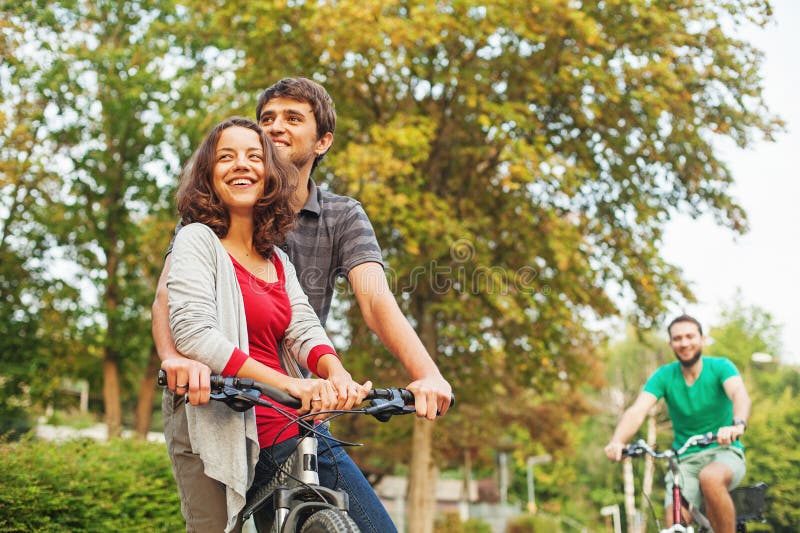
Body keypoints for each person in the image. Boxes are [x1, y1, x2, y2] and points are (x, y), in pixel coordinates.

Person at [155, 77, 451, 417]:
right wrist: (173, 358)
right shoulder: (212, 215)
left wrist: (427, 374)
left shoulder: (340, 216)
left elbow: (373, 298)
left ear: (323, 142)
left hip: (301, 403)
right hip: (222, 398)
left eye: (293, 118)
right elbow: (168, 296)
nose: (275, 127)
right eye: (267, 119)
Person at [164, 116, 382, 532]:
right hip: (224, 420)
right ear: (208, 175)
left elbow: (304, 329)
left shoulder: (277, 259)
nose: (241, 164)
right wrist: (291, 385)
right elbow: (193, 332)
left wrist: (337, 374)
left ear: (270, 176)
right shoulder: (197, 240)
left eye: (254, 156)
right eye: (226, 157)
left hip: (293, 428)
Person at [604, 315, 752, 533]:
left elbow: (739, 394)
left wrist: (737, 424)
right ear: (671, 344)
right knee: (675, 519)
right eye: (678, 338)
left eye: (690, 336)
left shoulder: (721, 367)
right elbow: (637, 411)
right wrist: (618, 441)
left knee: (710, 478)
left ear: (702, 339)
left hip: (723, 450)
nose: (684, 343)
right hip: (685, 461)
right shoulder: (664, 375)